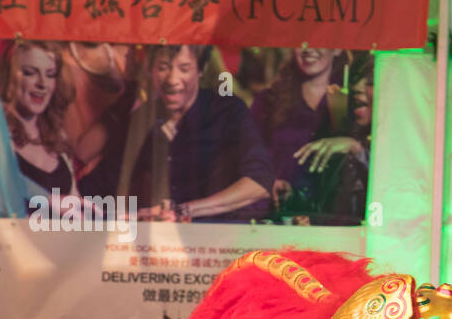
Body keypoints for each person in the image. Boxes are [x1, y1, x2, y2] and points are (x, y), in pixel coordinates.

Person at [128, 44, 273, 222]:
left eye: (184, 69)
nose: (172, 79)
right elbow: (109, 181)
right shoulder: (145, 117)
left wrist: (183, 210)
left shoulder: (227, 111)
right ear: (151, 70)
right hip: (164, 233)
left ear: (200, 70)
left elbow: (259, 183)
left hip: (220, 233)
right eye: (163, 68)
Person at [250, 47, 366, 220]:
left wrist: (354, 146)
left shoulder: (353, 102)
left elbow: (372, 160)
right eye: (302, 41)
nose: (309, 48)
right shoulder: (268, 101)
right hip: (280, 216)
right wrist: (269, 182)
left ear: (337, 49)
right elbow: (249, 157)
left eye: (319, 41)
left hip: (335, 219)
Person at [0, 40, 80, 211]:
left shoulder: (57, 136)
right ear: (8, 76)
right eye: (30, 73)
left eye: (50, 75)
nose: (42, 83)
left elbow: (75, 207)